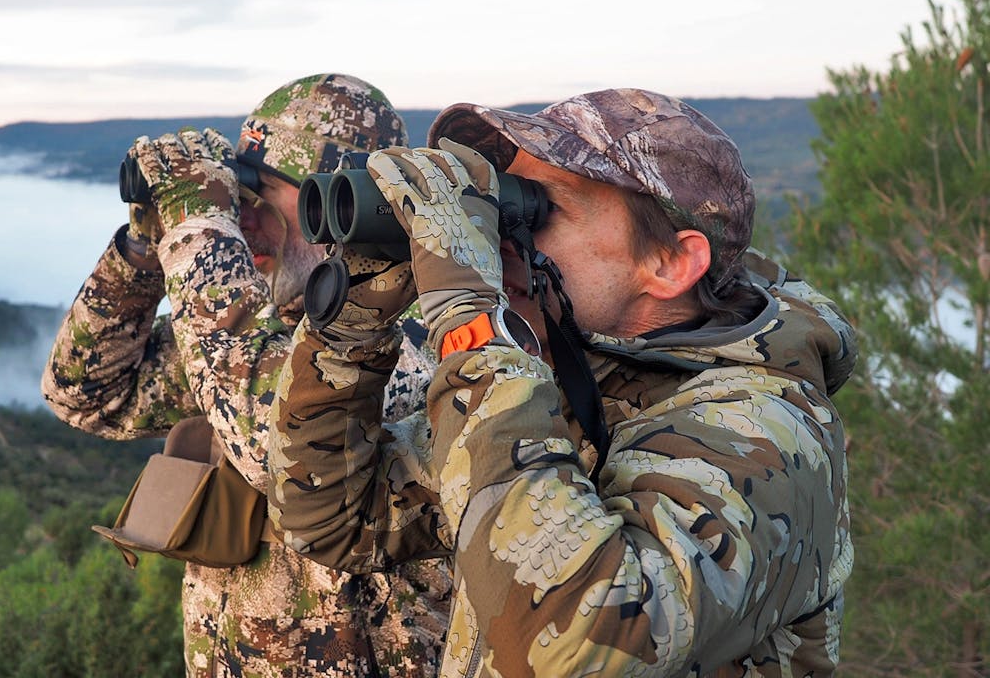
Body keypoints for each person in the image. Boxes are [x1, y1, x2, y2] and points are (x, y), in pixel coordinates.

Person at [267, 88, 857, 677]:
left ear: (670, 264)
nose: (501, 236)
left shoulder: (765, 433)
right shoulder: (571, 387)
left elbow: (576, 643)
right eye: (498, 200)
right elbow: (334, 516)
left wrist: (470, 316)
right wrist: (354, 323)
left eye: (539, 209)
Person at [41, 74, 451, 677]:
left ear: (341, 205)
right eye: (235, 201)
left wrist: (199, 232)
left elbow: (282, 447)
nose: (242, 223)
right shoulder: (268, 325)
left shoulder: (418, 332)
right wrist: (143, 244)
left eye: (258, 201)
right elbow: (86, 393)